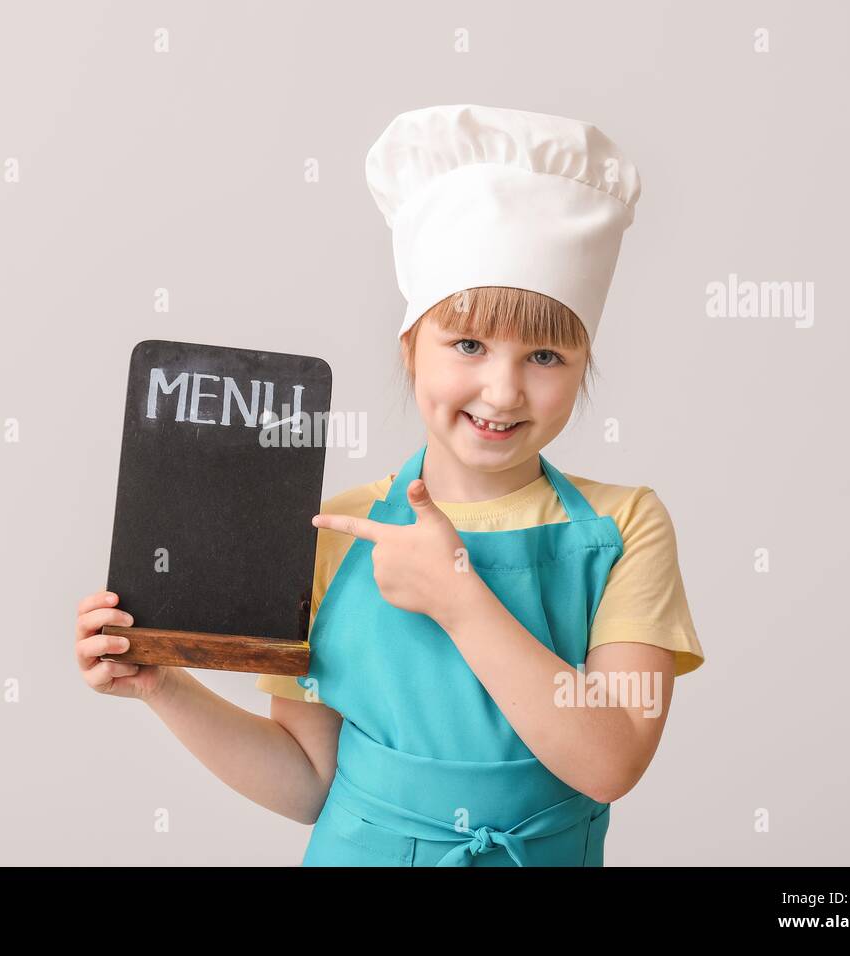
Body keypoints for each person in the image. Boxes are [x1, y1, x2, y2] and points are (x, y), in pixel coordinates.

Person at [75, 104, 704, 866]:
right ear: (411, 349)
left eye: (546, 356)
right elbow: (309, 781)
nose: (502, 391)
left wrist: (460, 598)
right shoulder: (335, 530)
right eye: (468, 343)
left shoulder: (624, 527)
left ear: (583, 366)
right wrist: (161, 683)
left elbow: (611, 762)